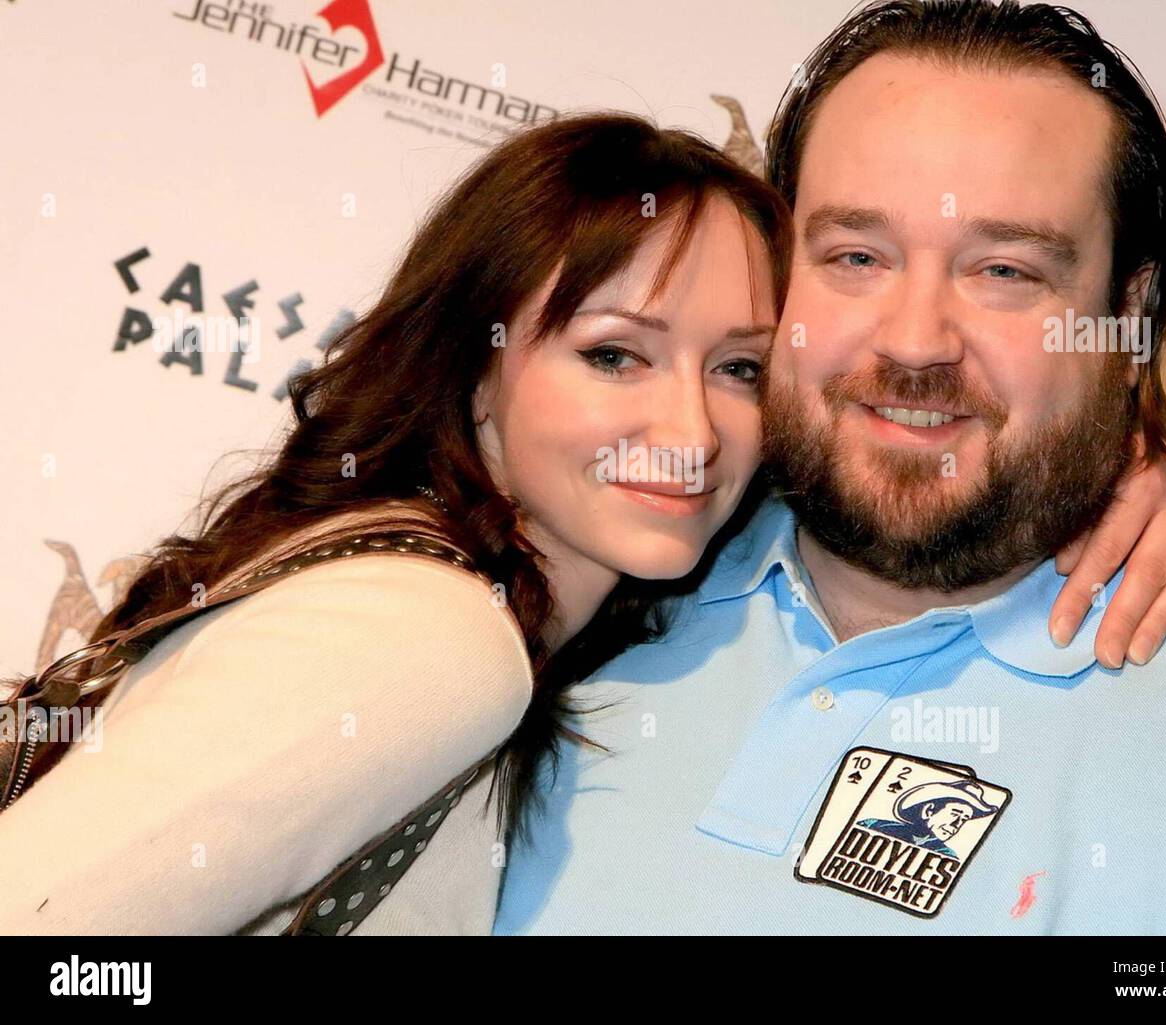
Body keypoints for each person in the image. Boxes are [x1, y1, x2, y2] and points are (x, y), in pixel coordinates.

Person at [493, 0, 1166, 935]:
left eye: (1005, 271)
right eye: (856, 255)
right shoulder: (575, 578)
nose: (915, 342)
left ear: (1129, 312)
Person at [0, 113, 793, 935]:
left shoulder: (423, 596)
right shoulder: (436, 635)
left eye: (739, 370)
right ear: (476, 368)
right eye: (615, 355)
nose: (692, 432)